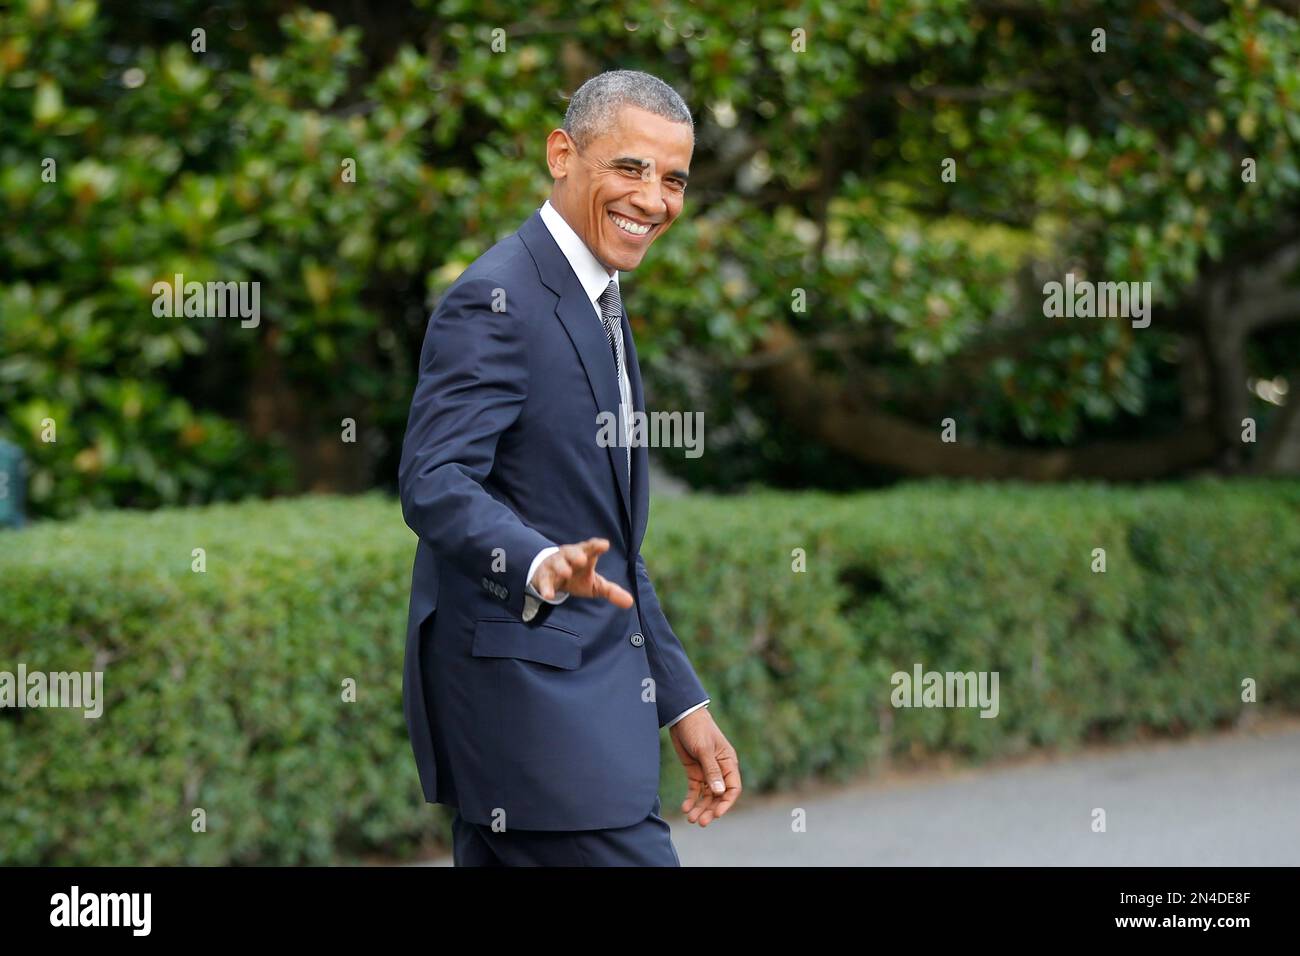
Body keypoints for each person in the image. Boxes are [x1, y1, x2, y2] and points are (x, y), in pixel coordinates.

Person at [398, 70, 742, 866]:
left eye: (674, 179)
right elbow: (435, 479)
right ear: (562, 153)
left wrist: (681, 697)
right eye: (630, 168)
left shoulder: (602, 303)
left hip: (573, 727)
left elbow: (613, 542)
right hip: (538, 726)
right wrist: (541, 561)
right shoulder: (496, 298)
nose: (653, 200)